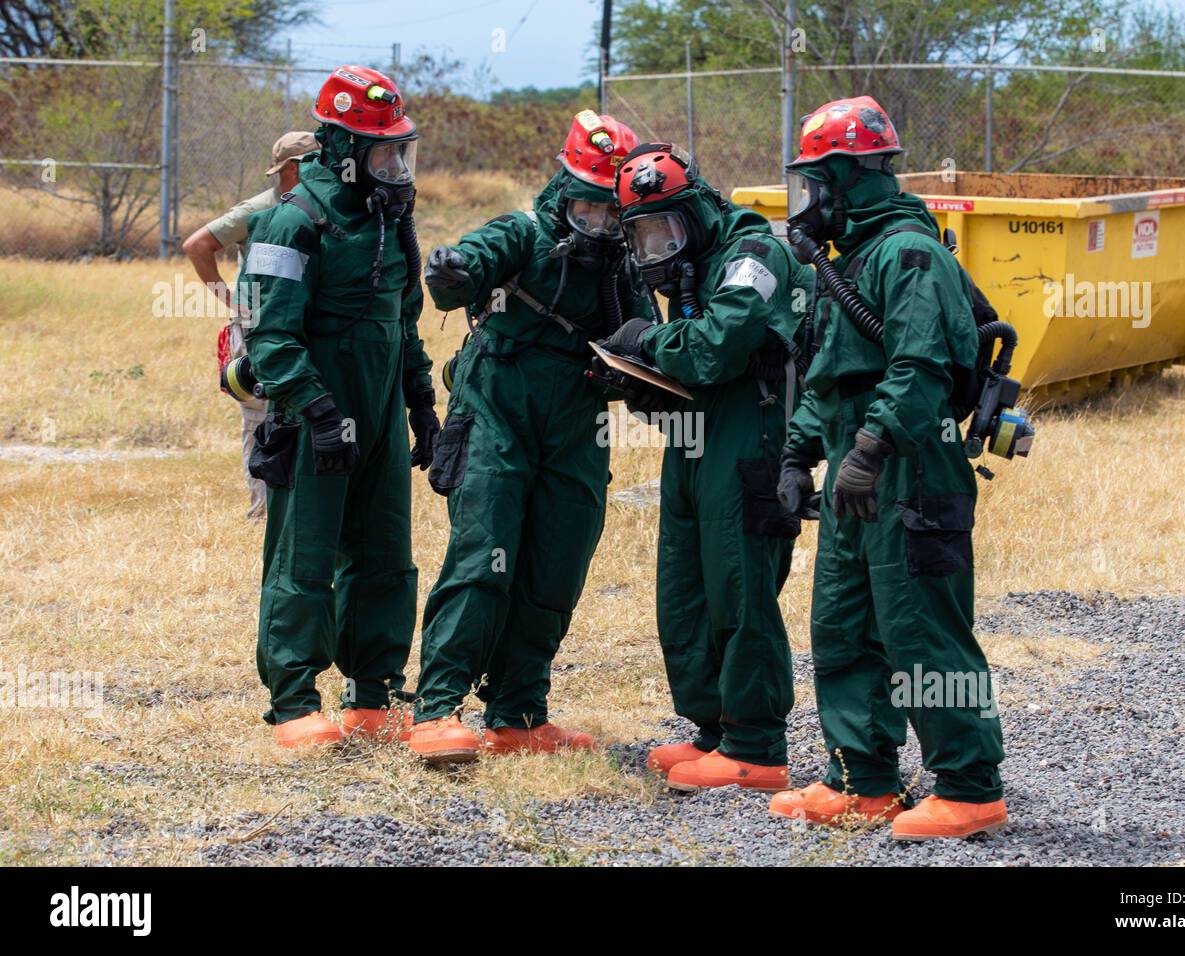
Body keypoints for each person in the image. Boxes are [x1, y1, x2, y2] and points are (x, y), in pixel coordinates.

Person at [766, 95, 1008, 839]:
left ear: (847, 178)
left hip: (909, 468)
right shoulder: (855, 261)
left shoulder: (912, 255)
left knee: (921, 629)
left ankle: (969, 787)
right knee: (845, 623)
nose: (807, 202)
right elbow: (835, 377)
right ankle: (863, 782)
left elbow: (919, 369)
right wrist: (799, 453)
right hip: (855, 465)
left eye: (815, 185)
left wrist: (869, 452)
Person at [406, 112, 651, 765]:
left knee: (557, 562)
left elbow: (647, 336)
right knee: (485, 553)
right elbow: (465, 267)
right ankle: (437, 709)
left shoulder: (628, 263)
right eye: (587, 205)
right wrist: (451, 272)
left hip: (577, 427)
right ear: (562, 189)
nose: (597, 220)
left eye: (610, 209)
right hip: (496, 413)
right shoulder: (520, 233)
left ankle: (517, 713)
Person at [597, 143, 812, 793]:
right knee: (685, 588)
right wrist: (644, 383)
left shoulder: (753, 256)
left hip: (752, 439)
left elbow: (717, 347)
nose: (657, 247)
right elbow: (693, 367)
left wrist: (645, 342)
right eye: (644, 234)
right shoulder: (693, 267)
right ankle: (715, 729)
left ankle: (757, 745)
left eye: (666, 229)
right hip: (696, 442)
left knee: (738, 588)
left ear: (695, 214)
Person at [235, 66, 437, 748]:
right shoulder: (290, 222)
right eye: (383, 152)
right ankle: (293, 700)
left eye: (400, 151)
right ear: (344, 151)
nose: (395, 166)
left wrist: (422, 408)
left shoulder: (390, 225)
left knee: (385, 553)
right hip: (314, 412)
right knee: (305, 554)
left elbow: (402, 325)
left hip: (379, 411)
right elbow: (268, 334)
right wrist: (316, 410)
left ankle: (372, 693)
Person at [183, 131, 316, 520]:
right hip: (257, 331)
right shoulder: (260, 208)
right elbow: (197, 246)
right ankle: (262, 513)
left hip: (300, 327)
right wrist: (230, 301)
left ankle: (301, 509)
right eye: (313, 162)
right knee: (259, 418)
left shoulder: (321, 205)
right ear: (291, 168)